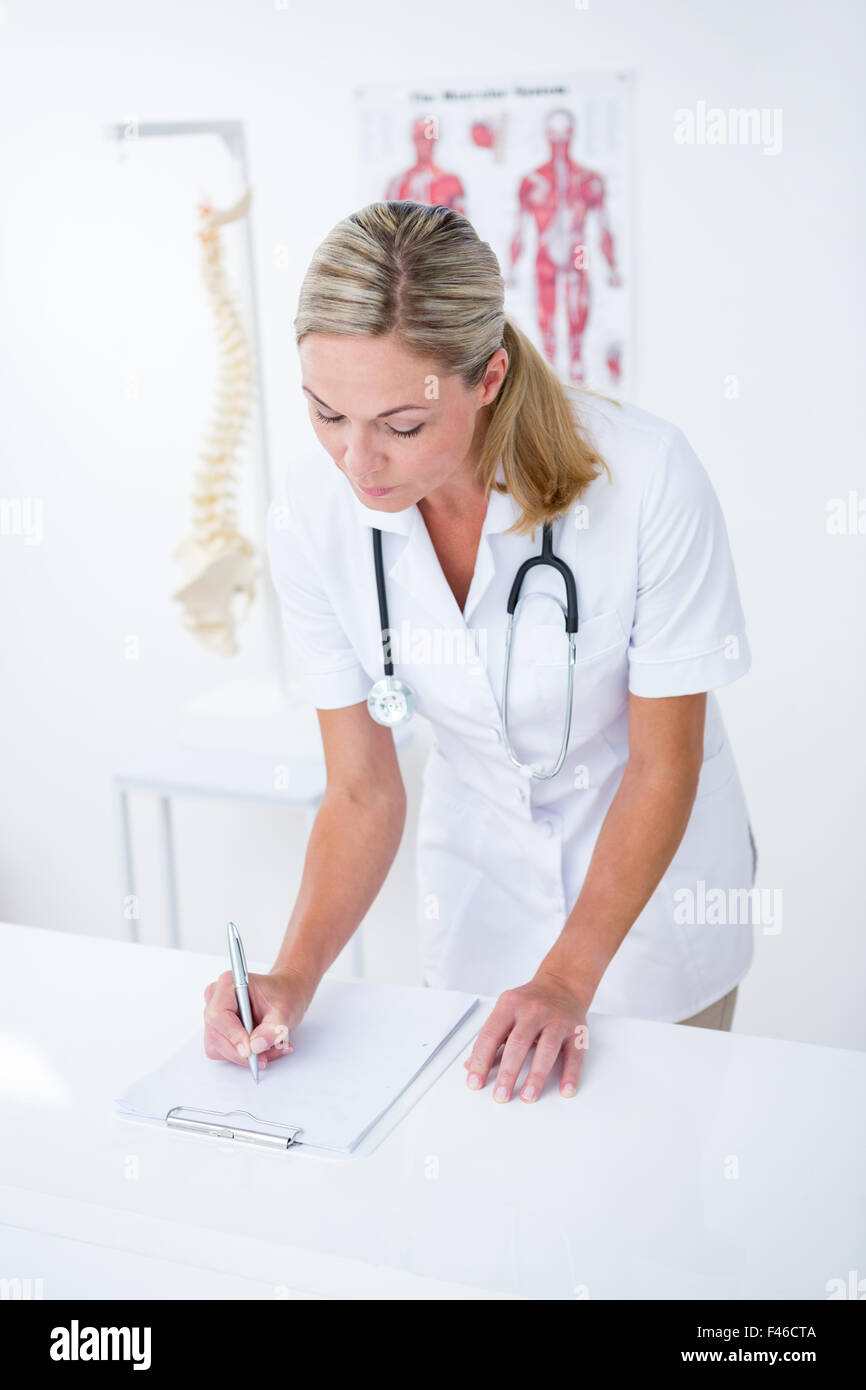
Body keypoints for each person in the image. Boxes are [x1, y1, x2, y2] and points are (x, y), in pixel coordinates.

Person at [203, 201, 757, 1103]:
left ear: (488, 375)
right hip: (479, 898)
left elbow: (664, 765)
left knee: (658, 1206)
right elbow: (362, 786)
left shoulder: (647, 478)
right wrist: (291, 977)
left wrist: (569, 976)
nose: (358, 460)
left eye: (401, 425)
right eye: (326, 414)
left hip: (657, 914)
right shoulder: (312, 515)